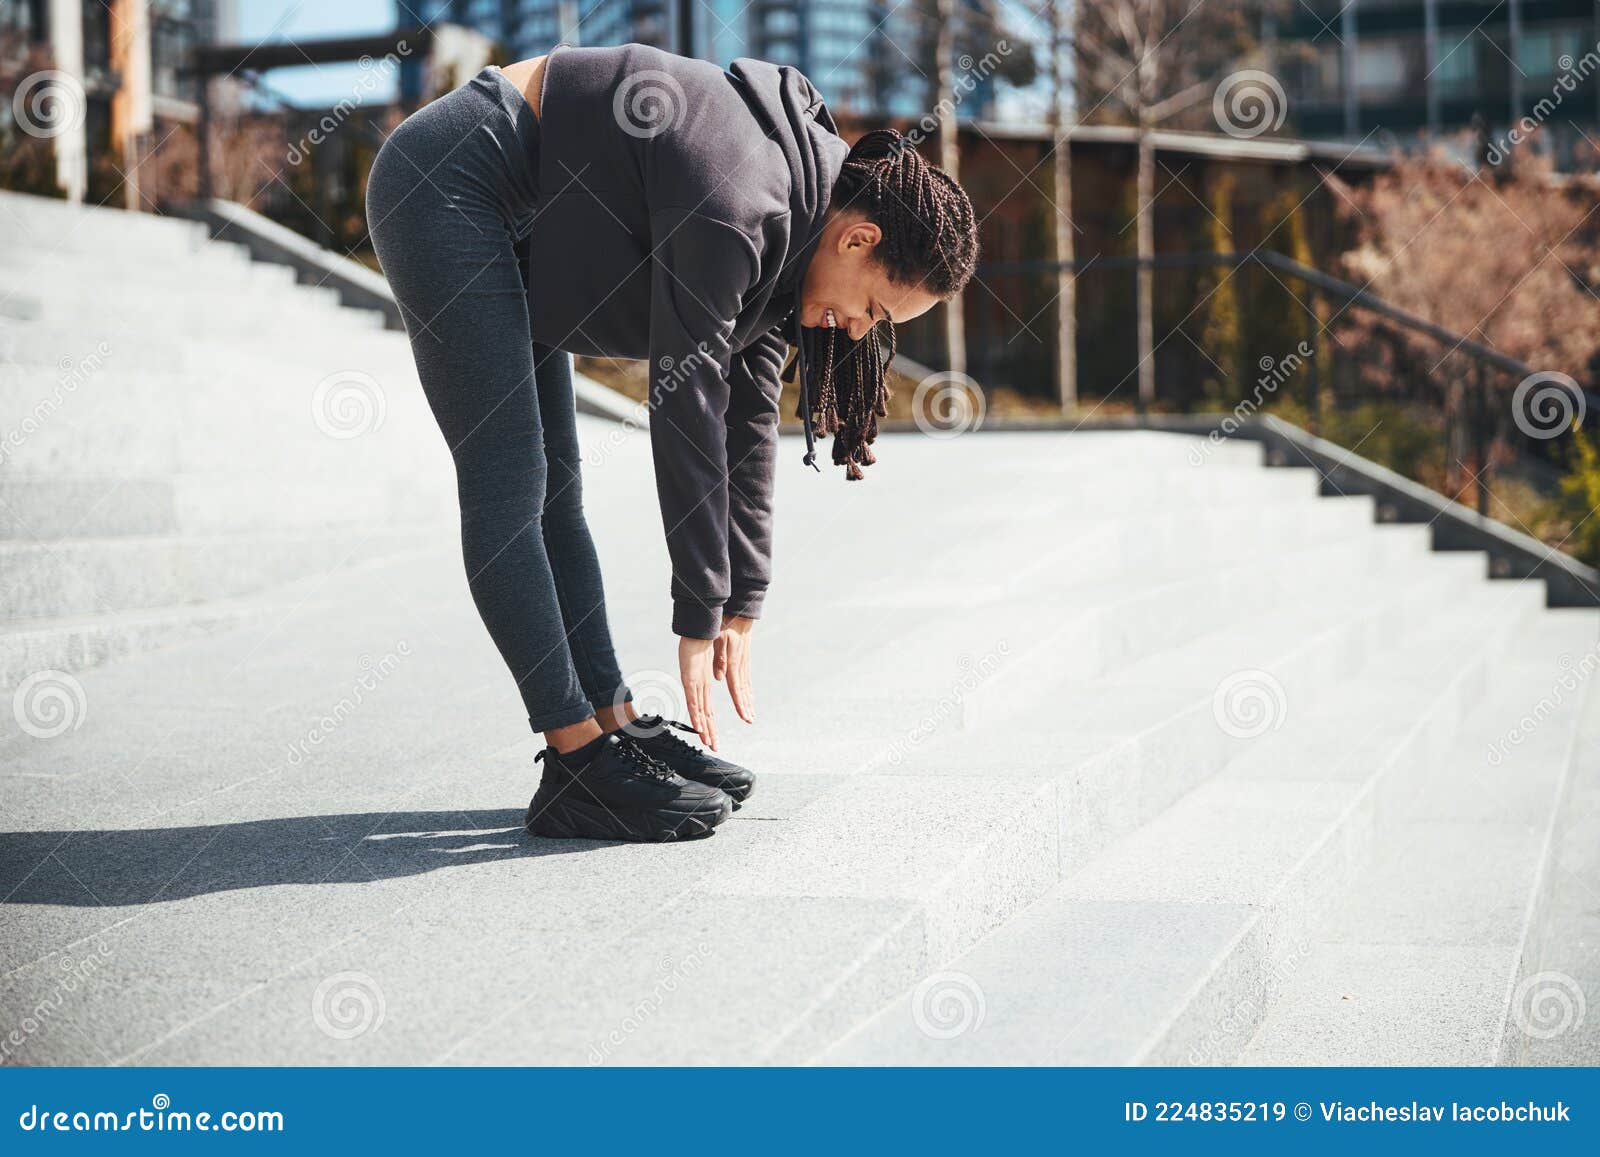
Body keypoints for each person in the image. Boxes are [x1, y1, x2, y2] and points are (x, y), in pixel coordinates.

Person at [365, 43, 979, 842]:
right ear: (858, 241)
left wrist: (742, 598)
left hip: (533, 222)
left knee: (558, 491)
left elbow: (749, 411)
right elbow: (686, 398)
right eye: (876, 311)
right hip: (448, 184)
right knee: (510, 483)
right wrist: (697, 607)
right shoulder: (742, 200)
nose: (860, 331)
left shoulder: (800, 230)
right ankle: (576, 761)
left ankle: (612, 723)